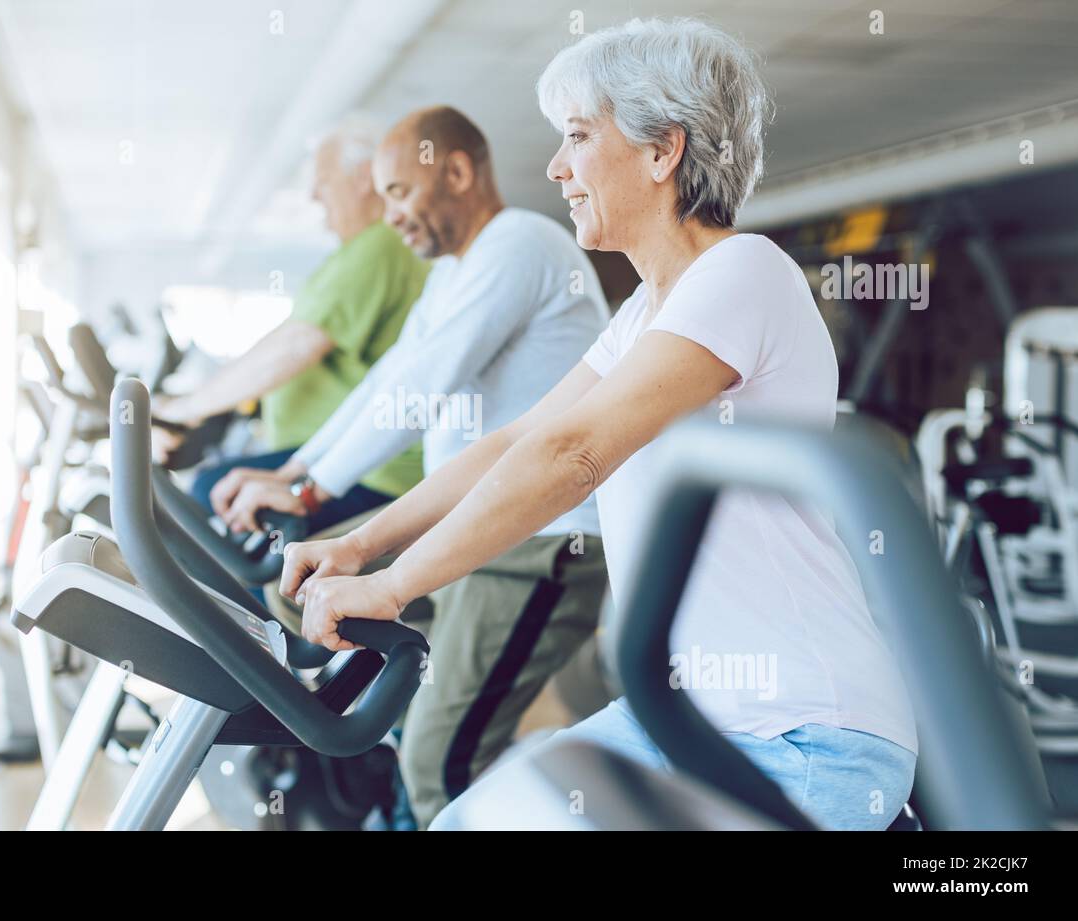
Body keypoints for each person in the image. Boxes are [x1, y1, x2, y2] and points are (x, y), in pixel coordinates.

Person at [282, 19, 918, 832]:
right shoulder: (644, 313)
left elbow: (574, 453)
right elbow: (513, 441)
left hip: (803, 732)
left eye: (578, 136)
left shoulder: (742, 271)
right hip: (692, 719)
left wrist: (394, 587)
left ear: (663, 151)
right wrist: (362, 545)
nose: (556, 167)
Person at [219, 106, 610, 828]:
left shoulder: (520, 244)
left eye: (399, 192)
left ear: (458, 172)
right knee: (305, 591)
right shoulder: (452, 274)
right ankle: (404, 768)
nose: (390, 215)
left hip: (541, 544)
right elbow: (387, 378)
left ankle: (431, 782)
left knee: (439, 762)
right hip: (473, 529)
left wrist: (310, 489)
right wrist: (296, 472)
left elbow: (421, 386)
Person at [154, 117, 427, 532]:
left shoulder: (380, 246)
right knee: (218, 492)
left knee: (212, 490)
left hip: (376, 470)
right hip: (328, 450)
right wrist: (194, 402)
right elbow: (286, 337)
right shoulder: (358, 251)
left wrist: (186, 411)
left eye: (323, 180)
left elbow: (297, 345)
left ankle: (245, 600)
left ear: (363, 180)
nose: (314, 194)